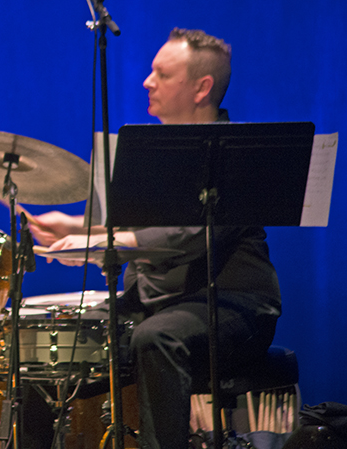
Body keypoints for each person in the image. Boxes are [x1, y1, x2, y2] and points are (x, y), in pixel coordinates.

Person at [29, 29, 281, 449]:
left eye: (162, 74)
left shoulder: (235, 154)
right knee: (50, 339)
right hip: (159, 303)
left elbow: (186, 235)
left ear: (201, 87)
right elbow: (130, 230)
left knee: (155, 336)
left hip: (233, 305)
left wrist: (99, 242)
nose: (147, 82)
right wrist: (74, 229)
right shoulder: (148, 150)